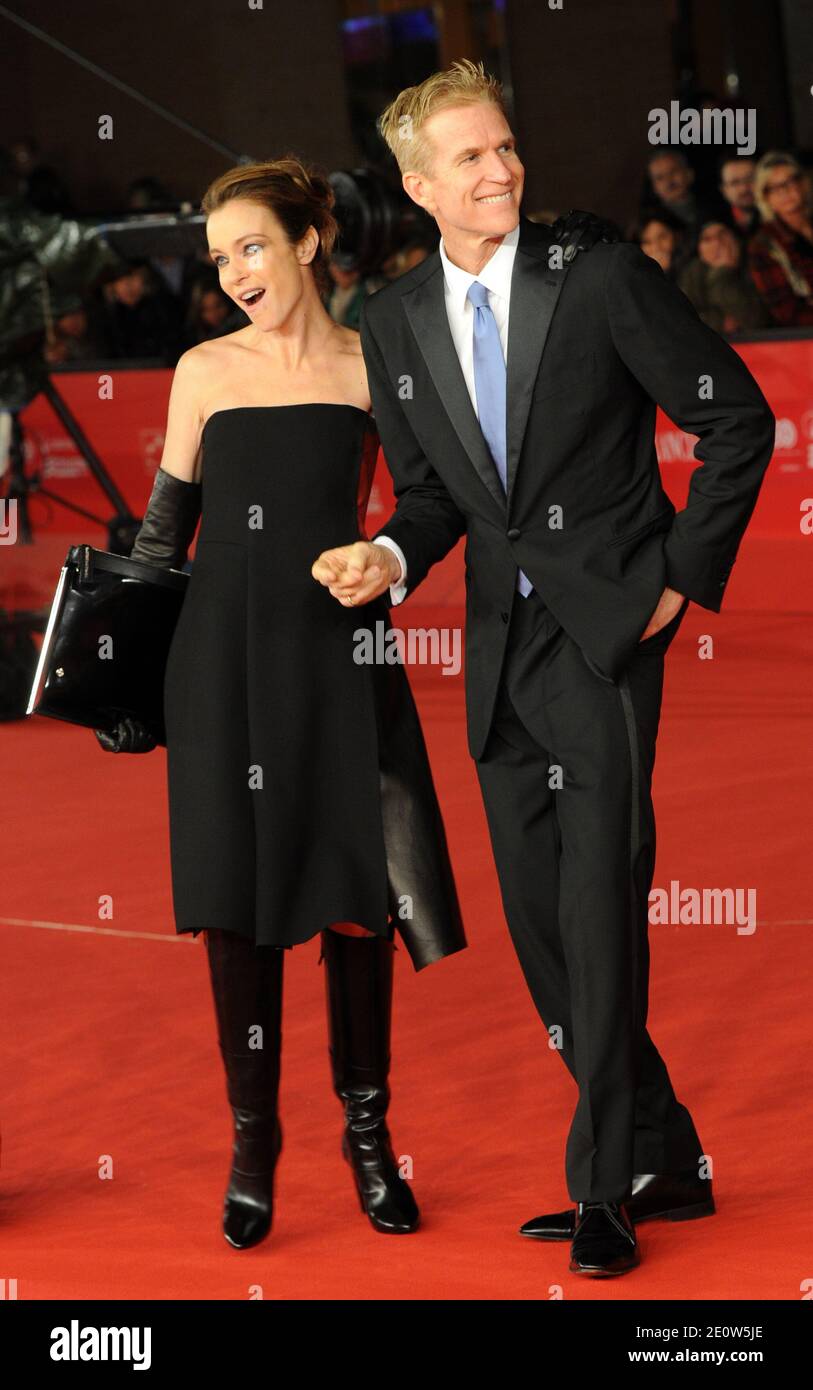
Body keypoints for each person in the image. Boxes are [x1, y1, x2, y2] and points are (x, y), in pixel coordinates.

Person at [313, 59, 775, 1277]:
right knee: (538, 923)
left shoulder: (603, 278)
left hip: (609, 640)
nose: (502, 169)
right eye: (469, 157)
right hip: (496, 653)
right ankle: (665, 1149)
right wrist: (385, 557)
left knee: (599, 904)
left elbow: (736, 419)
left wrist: (678, 577)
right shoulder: (394, 321)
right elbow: (430, 496)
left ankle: (604, 1183)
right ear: (417, 186)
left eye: (505, 147)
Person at [93, 155, 468, 1250]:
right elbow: (161, 543)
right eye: (218, 260)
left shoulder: (372, 362)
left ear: (307, 242)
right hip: (219, 670)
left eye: (251, 246)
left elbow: (433, 501)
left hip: (340, 662)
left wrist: (388, 558)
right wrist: (126, 685)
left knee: (360, 900)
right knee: (235, 909)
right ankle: (253, 1143)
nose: (234, 275)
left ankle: (368, 1137)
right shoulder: (202, 369)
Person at [747, 151, 813, 327]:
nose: (787, 190)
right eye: (776, 187)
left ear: (804, 182)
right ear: (765, 197)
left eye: (791, 180)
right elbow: (787, 313)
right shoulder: (763, 246)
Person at [678, 219, 771, 334]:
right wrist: (720, 323)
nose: (717, 242)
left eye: (722, 234)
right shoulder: (692, 273)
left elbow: (755, 319)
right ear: (699, 249)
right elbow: (684, 319)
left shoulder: (754, 262)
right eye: (707, 239)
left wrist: (722, 274)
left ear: (736, 240)